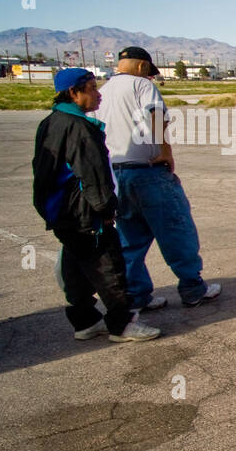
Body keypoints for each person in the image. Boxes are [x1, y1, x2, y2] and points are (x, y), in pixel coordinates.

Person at [33, 68, 161, 343]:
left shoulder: (51, 122)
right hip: (85, 214)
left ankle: (85, 321)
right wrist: (105, 211)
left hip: (61, 212)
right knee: (109, 266)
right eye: (91, 87)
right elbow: (93, 175)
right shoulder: (80, 129)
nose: (98, 94)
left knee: (75, 266)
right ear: (73, 93)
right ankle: (122, 324)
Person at [94, 46, 220, 309]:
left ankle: (137, 296)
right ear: (142, 67)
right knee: (176, 230)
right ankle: (192, 288)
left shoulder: (101, 91)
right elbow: (156, 116)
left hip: (116, 174)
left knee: (130, 239)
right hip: (147, 171)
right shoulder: (141, 85)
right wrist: (165, 152)